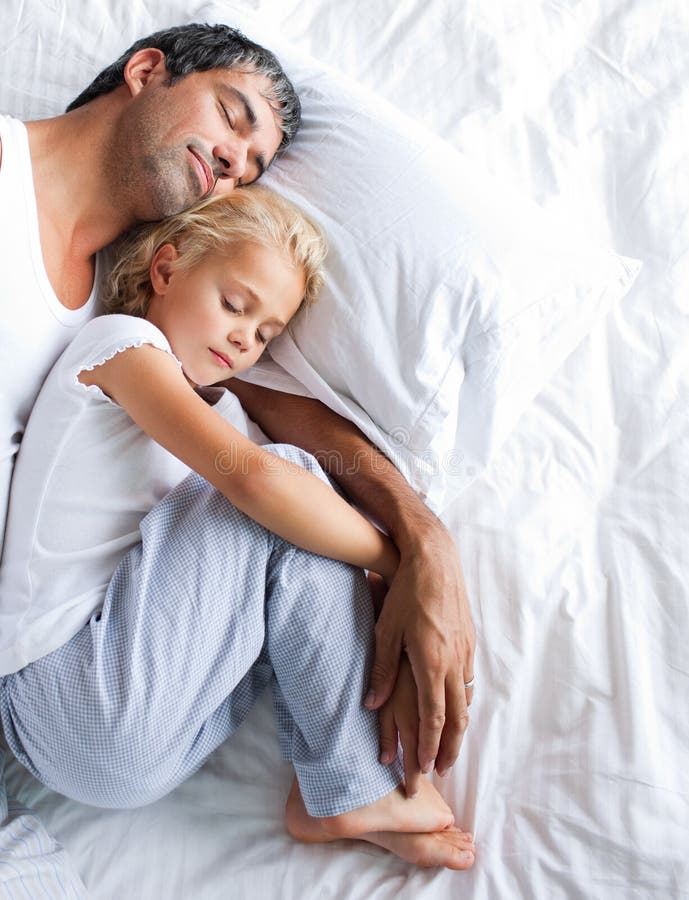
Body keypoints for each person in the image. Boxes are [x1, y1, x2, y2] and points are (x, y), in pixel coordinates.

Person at [0, 20, 475, 879]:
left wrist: (426, 542)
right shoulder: (119, 337)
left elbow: (273, 434)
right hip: (57, 691)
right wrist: (395, 558)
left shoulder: (140, 322)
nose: (236, 161)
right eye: (232, 116)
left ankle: (337, 783)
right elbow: (256, 477)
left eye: (255, 166)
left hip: (131, 724)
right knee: (279, 493)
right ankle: (348, 785)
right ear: (146, 70)